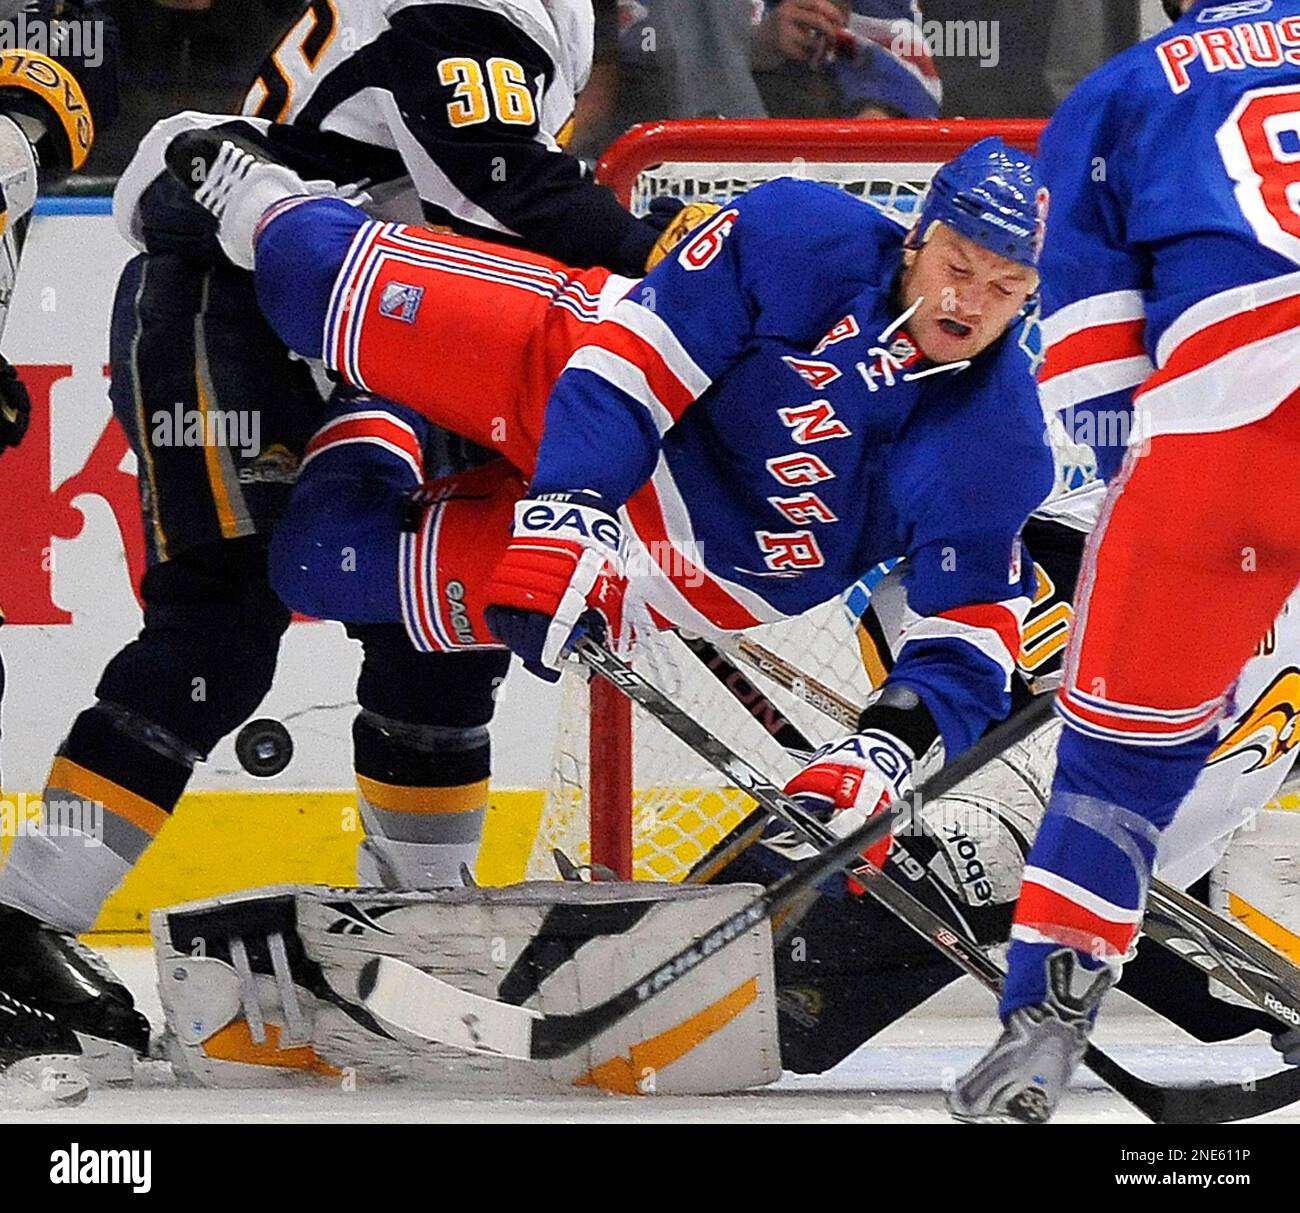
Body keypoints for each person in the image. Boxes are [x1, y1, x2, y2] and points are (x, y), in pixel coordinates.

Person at [0, 0, 699, 1084]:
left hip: (395, 312)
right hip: (237, 291)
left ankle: (413, 924)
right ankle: (20, 919)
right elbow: (503, 185)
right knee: (216, 632)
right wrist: (690, 262)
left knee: (437, 626)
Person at [167, 129, 1053, 930]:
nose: (970, 302)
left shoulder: (999, 443)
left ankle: (378, 409)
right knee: (305, 278)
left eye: (1005, 286)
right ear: (917, 238)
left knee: (320, 562)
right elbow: (635, 361)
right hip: (580, 381)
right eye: (959, 265)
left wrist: (882, 755)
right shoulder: (798, 234)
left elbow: (966, 620)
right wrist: (567, 513)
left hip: (674, 566)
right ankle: (243, 186)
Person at [951, 0, 1300, 1123]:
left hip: (1221, 442)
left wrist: (1163, 535)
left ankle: (1041, 1030)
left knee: (1114, 780)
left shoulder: (1124, 88)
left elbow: (1096, 347)